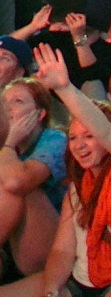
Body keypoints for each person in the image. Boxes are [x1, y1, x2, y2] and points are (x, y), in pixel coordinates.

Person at [0, 44, 111, 297]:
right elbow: (62, 251)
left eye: (89, 136)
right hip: (82, 281)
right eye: (74, 137)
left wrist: (64, 88)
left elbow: (105, 130)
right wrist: (51, 290)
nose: (79, 145)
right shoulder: (78, 189)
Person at [0, 78, 66, 280]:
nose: (8, 108)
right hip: (11, 242)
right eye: (4, 102)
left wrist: (9, 146)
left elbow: (17, 182)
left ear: (39, 114)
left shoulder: (55, 138)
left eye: (18, 101)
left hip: (52, 243)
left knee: (21, 184)